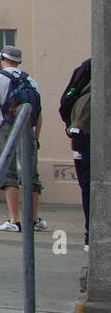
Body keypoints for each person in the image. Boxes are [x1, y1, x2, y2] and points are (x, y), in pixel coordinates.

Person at [0, 45, 46, 233]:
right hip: (28, 129)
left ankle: (14, 219)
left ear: (3, 58)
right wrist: (35, 137)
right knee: (31, 174)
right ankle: (34, 219)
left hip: (5, 128)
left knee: (8, 173)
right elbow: (39, 112)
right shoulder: (31, 81)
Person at [58, 58, 91, 252]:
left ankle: (90, 235)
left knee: (87, 186)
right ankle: (92, 235)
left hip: (79, 132)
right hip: (90, 133)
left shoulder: (86, 67)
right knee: (91, 185)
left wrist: (70, 124)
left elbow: (65, 103)